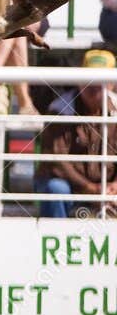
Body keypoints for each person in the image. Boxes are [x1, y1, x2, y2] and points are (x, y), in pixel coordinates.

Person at [35, 49, 115, 219]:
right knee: (56, 189)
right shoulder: (59, 109)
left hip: (106, 186)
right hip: (68, 184)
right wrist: (90, 188)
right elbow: (57, 162)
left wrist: (114, 186)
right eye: (88, 79)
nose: (93, 85)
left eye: (101, 80)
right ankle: (55, 236)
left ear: (111, 84)